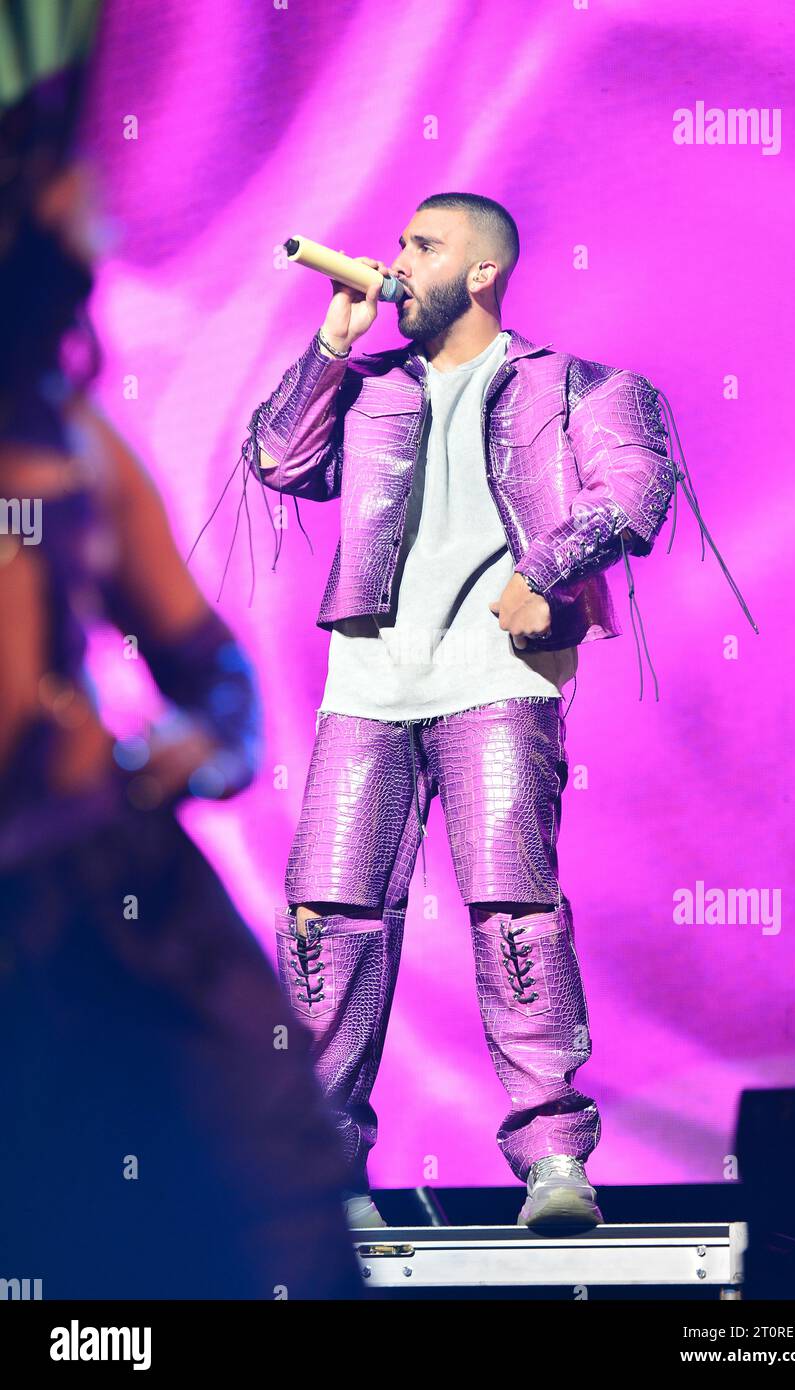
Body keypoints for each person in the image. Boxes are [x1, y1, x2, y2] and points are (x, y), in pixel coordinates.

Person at [241, 191, 756, 1234]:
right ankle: (321, 1170)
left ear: (480, 271)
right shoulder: (365, 384)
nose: (396, 263)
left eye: (422, 247)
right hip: (368, 690)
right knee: (328, 922)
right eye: (398, 245)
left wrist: (546, 567)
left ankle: (554, 1160)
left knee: (512, 911)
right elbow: (278, 461)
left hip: (499, 683)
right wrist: (331, 344)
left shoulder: (574, 383)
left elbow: (637, 485)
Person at [0, 69, 362, 1298]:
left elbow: (219, 687)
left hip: (119, 914)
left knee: (274, 1219)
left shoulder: (78, 448)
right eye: (60, 189)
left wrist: (173, 754)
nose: (89, 217)